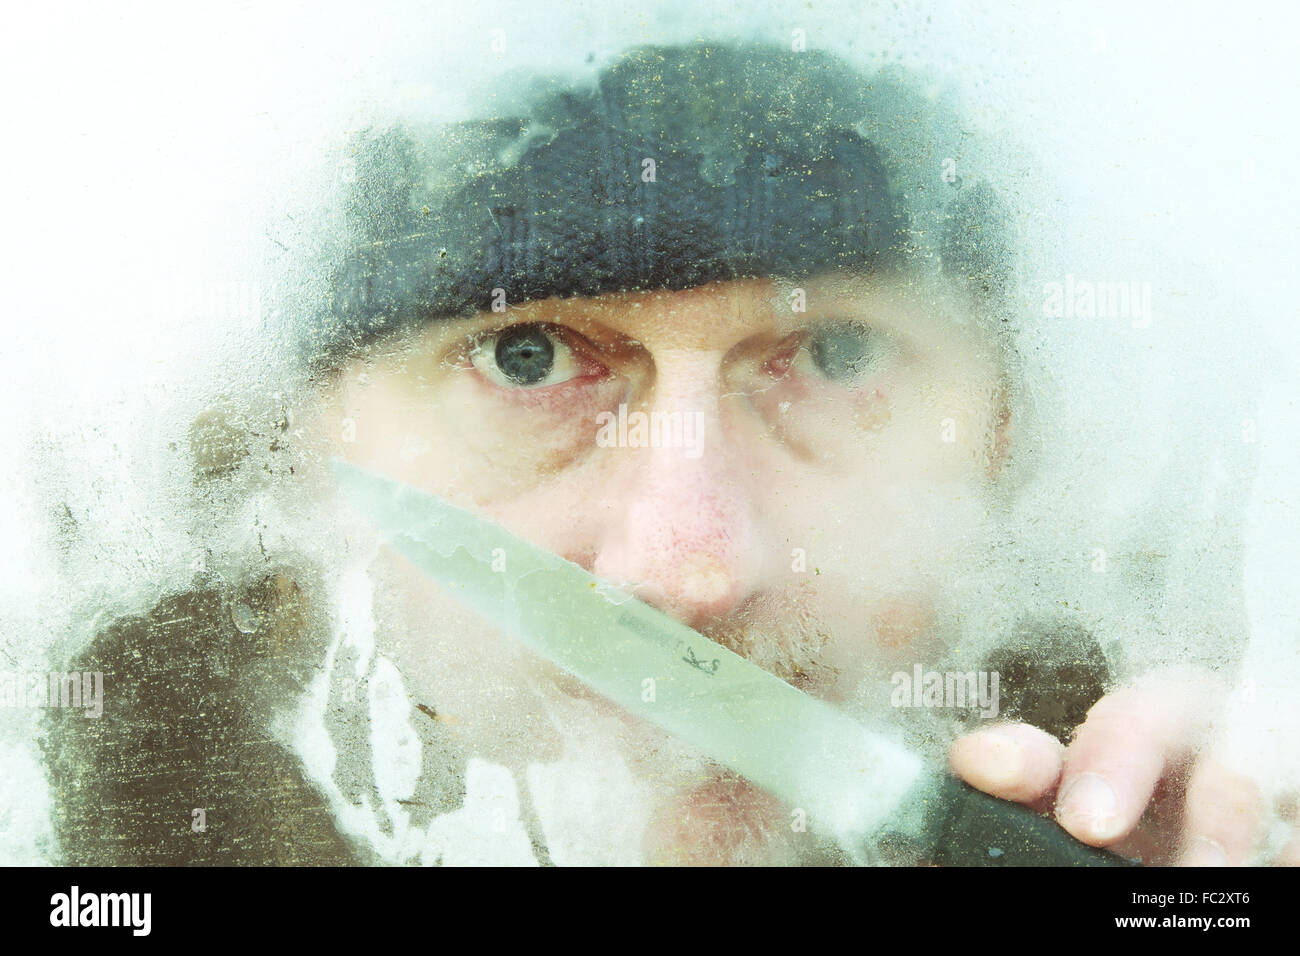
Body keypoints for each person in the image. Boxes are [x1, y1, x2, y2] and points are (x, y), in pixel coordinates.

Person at [42, 40, 1286, 866]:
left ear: (1011, 433)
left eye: (838, 355)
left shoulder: (1142, 827)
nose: (689, 569)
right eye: (525, 359)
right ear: (301, 456)